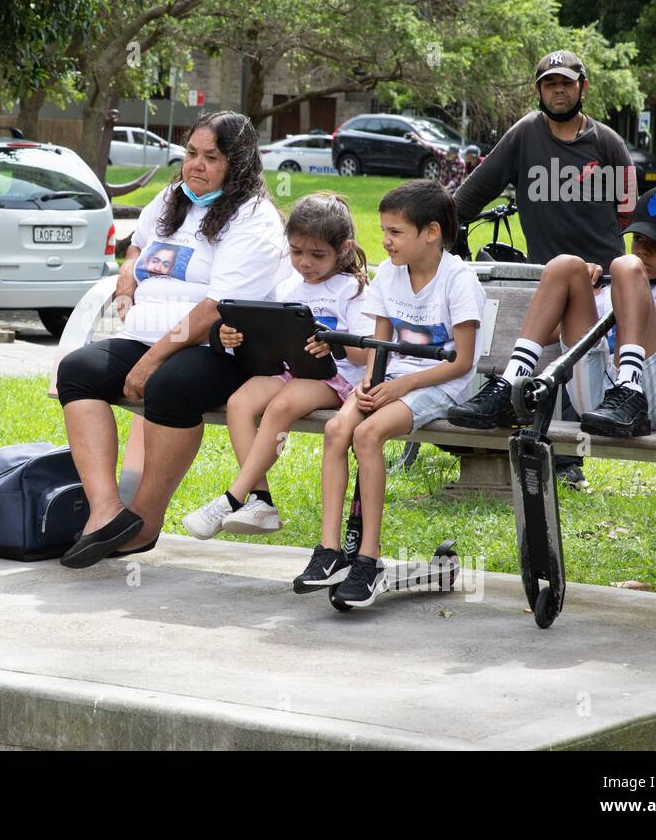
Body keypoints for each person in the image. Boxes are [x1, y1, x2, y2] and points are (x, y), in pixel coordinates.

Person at [54, 110, 286, 567]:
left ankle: (145, 517)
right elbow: (138, 245)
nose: (196, 165)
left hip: (221, 346)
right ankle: (106, 509)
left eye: (211, 158)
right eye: (191, 154)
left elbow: (214, 306)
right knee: (76, 372)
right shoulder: (171, 199)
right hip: (146, 335)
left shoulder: (254, 219)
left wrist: (151, 360)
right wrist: (126, 274)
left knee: (170, 386)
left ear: (237, 165)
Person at [446, 185, 656, 437]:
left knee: (624, 267)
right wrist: (582, 294)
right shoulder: (615, 284)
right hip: (600, 399)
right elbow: (551, 337)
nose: (644, 251)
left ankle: (630, 386)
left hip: (653, 398)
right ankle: (510, 384)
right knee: (566, 265)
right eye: (639, 240)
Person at [453, 49, 636, 490]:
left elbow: (628, 212)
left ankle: (569, 462)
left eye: (566, 83)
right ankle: (522, 439)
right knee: (539, 347)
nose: (558, 90)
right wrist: (440, 226)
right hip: (544, 276)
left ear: (582, 88)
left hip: (601, 278)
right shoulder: (524, 137)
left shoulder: (606, 143)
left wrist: (602, 259)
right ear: (539, 90)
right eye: (549, 83)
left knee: (578, 358)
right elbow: (472, 193)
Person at [296, 180, 484, 606]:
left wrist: (400, 385)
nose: (385, 241)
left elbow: (462, 362)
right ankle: (329, 552)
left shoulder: (458, 279)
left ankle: (367, 558)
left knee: (367, 434)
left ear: (431, 232)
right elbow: (376, 349)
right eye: (384, 231)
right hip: (392, 378)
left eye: (395, 232)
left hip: (439, 383)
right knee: (337, 430)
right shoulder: (389, 275)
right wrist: (369, 383)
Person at [182, 192, 371, 538]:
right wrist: (229, 334)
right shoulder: (286, 286)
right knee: (241, 402)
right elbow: (265, 329)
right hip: (289, 369)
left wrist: (333, 340)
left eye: (317, 255)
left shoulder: (351, 289)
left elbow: (366, 353)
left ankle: (233, 496)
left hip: (336, 379)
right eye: (296, 252)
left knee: (281, 405)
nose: (305, 262)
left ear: (343, 249)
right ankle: (262, 500)